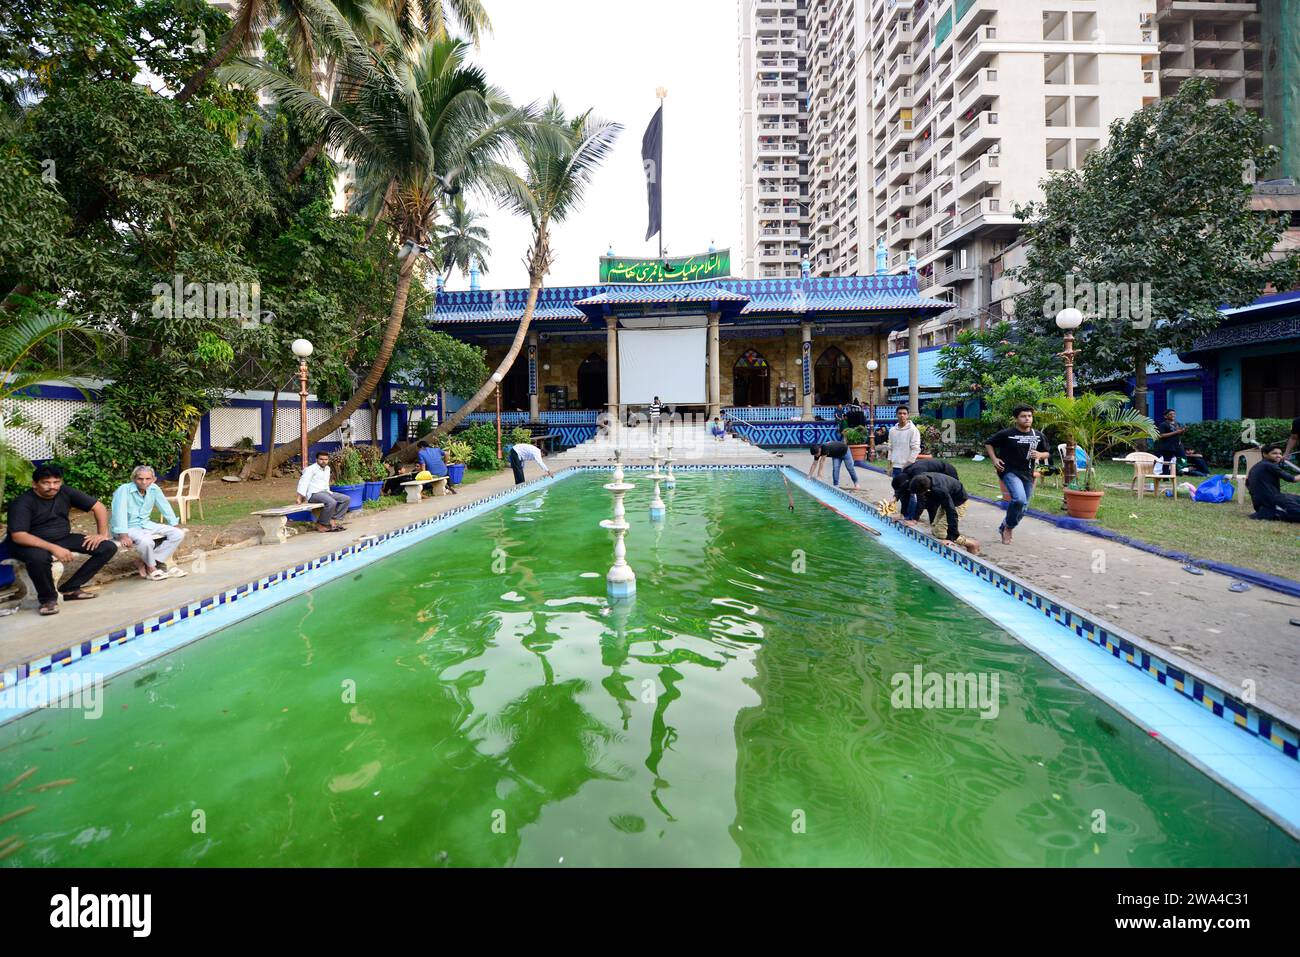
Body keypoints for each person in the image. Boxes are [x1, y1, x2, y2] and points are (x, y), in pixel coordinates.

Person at [4, 464, 118, 615]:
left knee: (107, 547)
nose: (52, 487)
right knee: (39, 557)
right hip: (27, 543)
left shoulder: (65, 492)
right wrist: (53, 548)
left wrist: (102, 534)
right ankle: (48, 599)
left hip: (62, 538)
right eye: (46, 483)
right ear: (34, 484)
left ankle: (70, 588)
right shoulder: (22, 503)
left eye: (56, 482)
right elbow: (19, 535)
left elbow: (99, 507)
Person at [984, 405, 1050, 545]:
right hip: (1009, 471)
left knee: (1024, 507)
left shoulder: (1037, 435)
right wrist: (995, 459)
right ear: (1016, 418)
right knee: (1019, 500)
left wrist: (1039, 454)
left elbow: (1047, 452)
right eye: (1023, 416)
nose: (1027, 418)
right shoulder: (1007, 433)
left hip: (1028, 473)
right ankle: (1009, 529)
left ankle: (1005, 525)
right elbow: (989, 443)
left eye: (1029, 416)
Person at [110, 465, 187, 581]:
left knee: (178, 534)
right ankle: (151, 569)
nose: (144, 482)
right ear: (134, 479)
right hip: (127, 527)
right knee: (146, 541)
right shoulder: (124, 490)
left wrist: (174, 524)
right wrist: (123, 535)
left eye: (148, 479)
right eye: (140, 479)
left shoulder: (154, 489)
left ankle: (147, 562)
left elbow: (164, 506)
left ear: (154, 479)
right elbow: (118, 513)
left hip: (146, 524)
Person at [909, 472, 980, 555]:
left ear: (927, 490)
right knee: (935, 528)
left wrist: (950, 539)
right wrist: (913, 518)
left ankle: (971, 544)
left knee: (940, 531)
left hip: (958, 503)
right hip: (946, 501)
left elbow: (951, 512)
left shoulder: (940, 490)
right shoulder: (920, 479)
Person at [296, 450, 350, 532]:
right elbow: (303, 482)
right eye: (321, 459)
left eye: (326, 459)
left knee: (346, 499)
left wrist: (328, 492)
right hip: (314, 494)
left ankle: (332, 520)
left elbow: (325, 483)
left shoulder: (327, 468)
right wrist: (300, 497)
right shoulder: (310, 469)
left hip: (326, 492)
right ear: (316, 459)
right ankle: (321, 524)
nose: (323, 461)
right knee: (331, 502)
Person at [1246, 443, 1300, 522]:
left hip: (1260, 503)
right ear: (1264, 454)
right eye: (1274, 453)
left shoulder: (1257, 466)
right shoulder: (1269, 465)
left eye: (1280, 454)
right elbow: (1292, 479)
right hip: (1271, 501)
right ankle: (1272, 512)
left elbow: (1247, 484)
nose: (1279, 456)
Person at [891, 458, 959, 520]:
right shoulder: (906, 474)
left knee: (944, 499)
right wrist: (896, 498)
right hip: (933, 474)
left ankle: (948, 520)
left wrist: (915, 519)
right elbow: (904, 493)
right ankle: (934, 520)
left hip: (947, 472)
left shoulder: (918, 477)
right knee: (931, 500)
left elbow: (921, 499)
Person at [1153, 409, 1209, 476]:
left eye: (1174, 414)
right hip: (1168, 446)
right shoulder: (1163, 424)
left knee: (1182, 459)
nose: (1173, 415)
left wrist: (1182, 431)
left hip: (1178, 446)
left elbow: (1178, 434)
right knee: (1167, 462)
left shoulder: (1177, 423)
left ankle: (1182, 472)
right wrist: (1176, 432)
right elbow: (1161, 436)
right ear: (1165, 416)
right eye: (1170, 414)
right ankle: (1166, 478)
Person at [887, 405, 922, 487]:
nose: (902, 415)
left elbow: (916, 449)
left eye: (904, 413)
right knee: (898, 492)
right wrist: (889, 467)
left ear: (908, 415)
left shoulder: (913, 430)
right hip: (895, 467)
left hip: (908, 467)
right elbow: (890, 448)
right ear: (896, 415)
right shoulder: (892, 430)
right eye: (900, 413)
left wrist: (907, 465)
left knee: (909, 492)